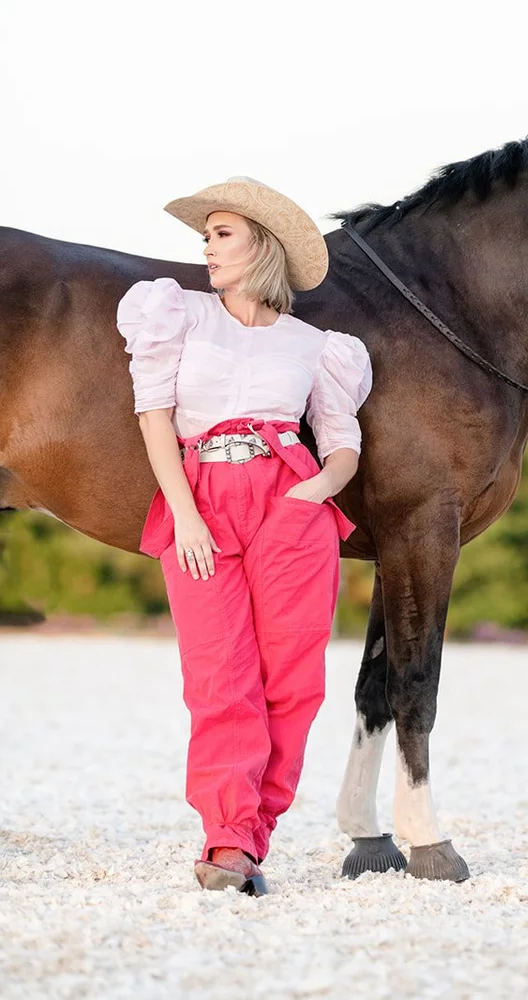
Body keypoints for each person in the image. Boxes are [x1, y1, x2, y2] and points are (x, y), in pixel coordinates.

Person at [116, 177, 371, 896]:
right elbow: (153, 417)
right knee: (218, 676)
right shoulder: (178, 313)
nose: (207, 247)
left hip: (290, 502)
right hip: (200, 498)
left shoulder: (315, 346)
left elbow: (342, 443)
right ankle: (227, 836)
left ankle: (250, 837)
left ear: (264, 245)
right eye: (207, 235)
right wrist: (186, 514)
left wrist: (316, 491)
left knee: (294, 680)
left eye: (222, 234)